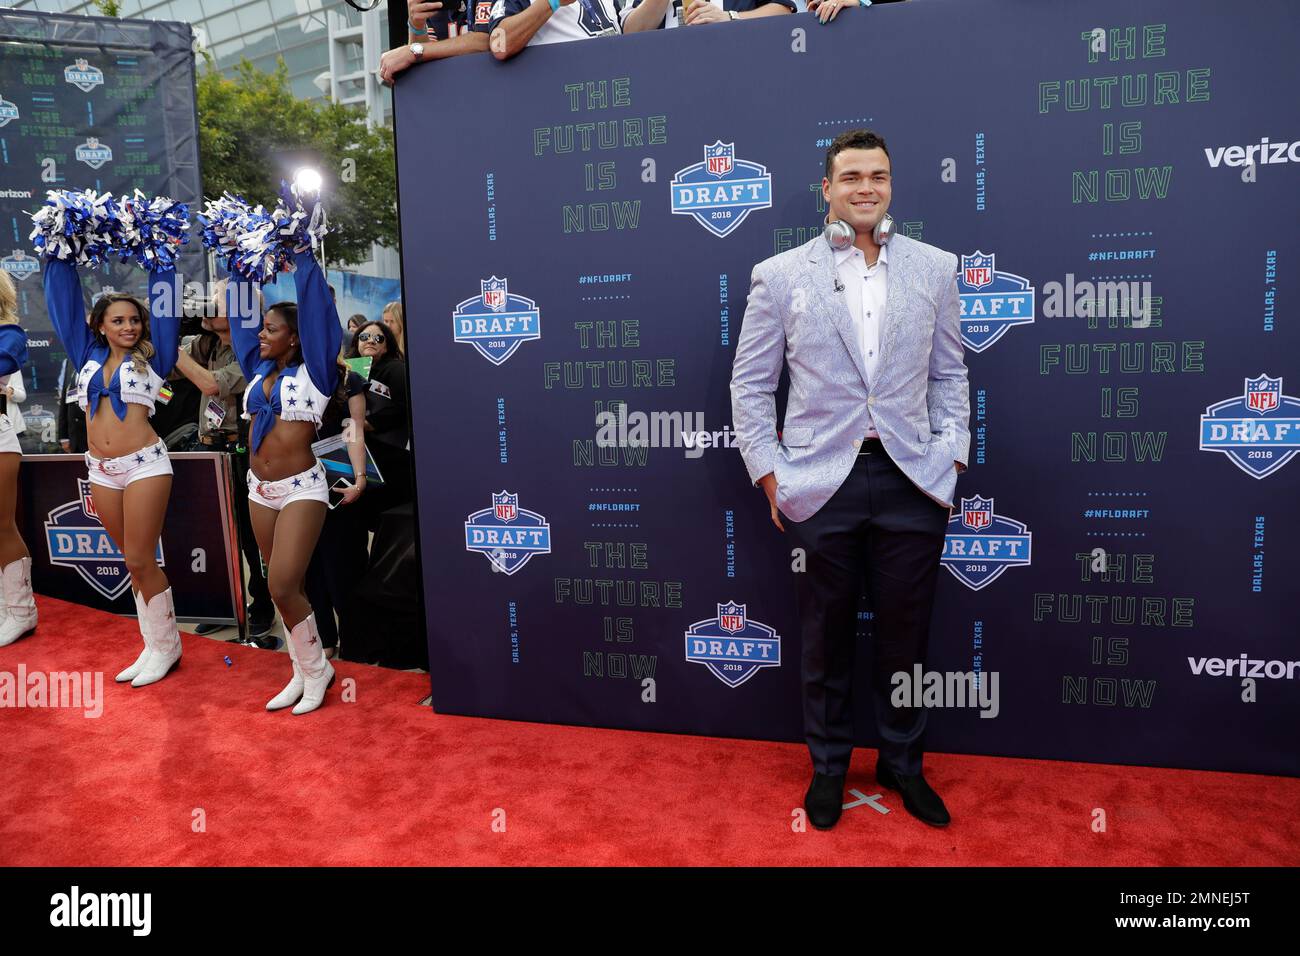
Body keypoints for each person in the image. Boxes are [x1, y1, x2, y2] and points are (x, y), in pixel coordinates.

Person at [730, 129, 969, 830]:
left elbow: (951, 374)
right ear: (826, 188)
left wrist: (949, 457)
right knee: (823, 636)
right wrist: (772, 480)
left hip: (911, 481)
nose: (867, 187)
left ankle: (903, 764)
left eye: (880, 176)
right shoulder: (779, 275)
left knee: (908, 637)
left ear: (892, 185)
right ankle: (829, 767)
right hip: (818, 483)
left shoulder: (936, 268)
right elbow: (750, 387)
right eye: (852, 176)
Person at [43, 257, 184, 686]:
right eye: (119, 320)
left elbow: (166, 307)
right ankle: (154, 643)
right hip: (101, 469)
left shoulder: (154, 353)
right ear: (99, 325)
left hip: (145, 465)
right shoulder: (85, 352)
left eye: (134, 320)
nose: (130, 327)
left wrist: (161, 257)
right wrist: (58, 255)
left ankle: (167, 646)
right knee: (131, 561)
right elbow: (63, 304)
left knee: (142, 557)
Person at [226, 246, 343, 715]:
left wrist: (303, 261)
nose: (261, 333)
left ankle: (317, 671)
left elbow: (318, 314)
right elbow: (239, 321)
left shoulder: (315, 370)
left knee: (281, 584)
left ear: (295, 338)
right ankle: (303, 668)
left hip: (302, 489)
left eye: (271, 329)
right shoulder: (257, 370)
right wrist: (239, 263)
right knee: (280, 585)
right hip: (260, 489)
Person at [170, 278, 276, 644]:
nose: (208, 308)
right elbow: (167, 363)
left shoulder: (255, 353)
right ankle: (222, 604)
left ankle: (261, 606)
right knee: (214, 533)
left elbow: (212, 385)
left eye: (217, 303)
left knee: (250, 536)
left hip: (240, 451)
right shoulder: (208, 343)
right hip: (207, 448)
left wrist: (176, 353)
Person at [305, 359, 369, 658]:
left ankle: (357, 643)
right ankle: (324, 640)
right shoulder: (283, 377)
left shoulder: (348, 379)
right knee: (309, 568)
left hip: (339, 484)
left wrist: (359, 479)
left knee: (344, 566)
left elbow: (354, 430)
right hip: (299, 486)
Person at [0, 270, 35, 646]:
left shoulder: (9, 333)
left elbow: (6, 361)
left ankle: (22, 612)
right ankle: (4, 609)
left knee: (2, 525)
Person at [348, 321, 411, 524]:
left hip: (391, 458)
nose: (371, 341)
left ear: (386, 346)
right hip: (357, 455)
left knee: (387, 519)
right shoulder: (349, 369)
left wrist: (367, 423)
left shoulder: (396, 369)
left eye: (378, 338)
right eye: (364, 337)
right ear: (356, 342)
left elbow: (404, 407)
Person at [488, 0, 663, 61]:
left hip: (611, 91)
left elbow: (627, 32)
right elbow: (499, 44)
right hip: (566, 99)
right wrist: (552, 2)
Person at [376, 0, 490, 85]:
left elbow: (489, 41)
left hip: (491, 85)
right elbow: (423, 68)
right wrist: (417, 26)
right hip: (454, 95)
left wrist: (414, 51)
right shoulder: (432, 5)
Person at [622, 0, 793, 31]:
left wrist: (730, 18)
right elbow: (631, 31)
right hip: (669, 76)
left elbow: (783, 12)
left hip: (735, 71)